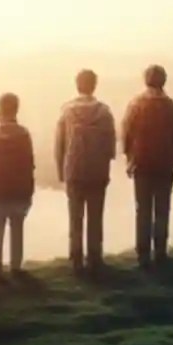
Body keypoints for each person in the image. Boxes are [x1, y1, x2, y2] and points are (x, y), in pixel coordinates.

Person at [122, 64, 173, 269]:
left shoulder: (135, 105)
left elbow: (126, 135)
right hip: (165, 163)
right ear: (164, 81)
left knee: (143, 209)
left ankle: (143, 254)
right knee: (162, 209)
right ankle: (160, 251)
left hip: (141, 163)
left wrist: (129, 156)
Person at [55, 69, 117, 276]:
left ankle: (76, 258)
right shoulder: (105, 112)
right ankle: (95, 257)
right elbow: (111, 144)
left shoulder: (67, 111)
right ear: (94, 85)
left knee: (76, 216)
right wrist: (106, 161)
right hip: (98, 170)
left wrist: (61, 170)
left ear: (77, 85)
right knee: (95, 216)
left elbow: (60, 144)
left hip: (74, 168)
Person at [0, 93, 34, 282]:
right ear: (17, 108)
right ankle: (15, 266)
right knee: (17, 227)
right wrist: (29, 189)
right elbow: (28, 163)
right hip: (19, 187)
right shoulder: (23, 133)